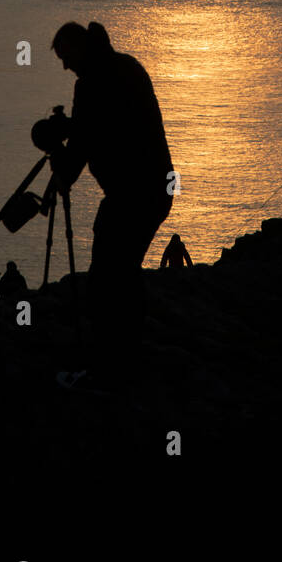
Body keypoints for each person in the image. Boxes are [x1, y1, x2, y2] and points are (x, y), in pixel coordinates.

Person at [49, 21, 173, 387]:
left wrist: (62, 167)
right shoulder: (125, 66)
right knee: (122, 272)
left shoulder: (92, 83)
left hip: (135, 193)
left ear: (78, 47)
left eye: (65, 57)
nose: (65, 66)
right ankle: (127, 353)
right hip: (152, 188)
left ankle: (112, 362)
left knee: (108, 277)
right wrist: (74, 131)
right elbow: (109, 124)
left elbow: (88, 139)